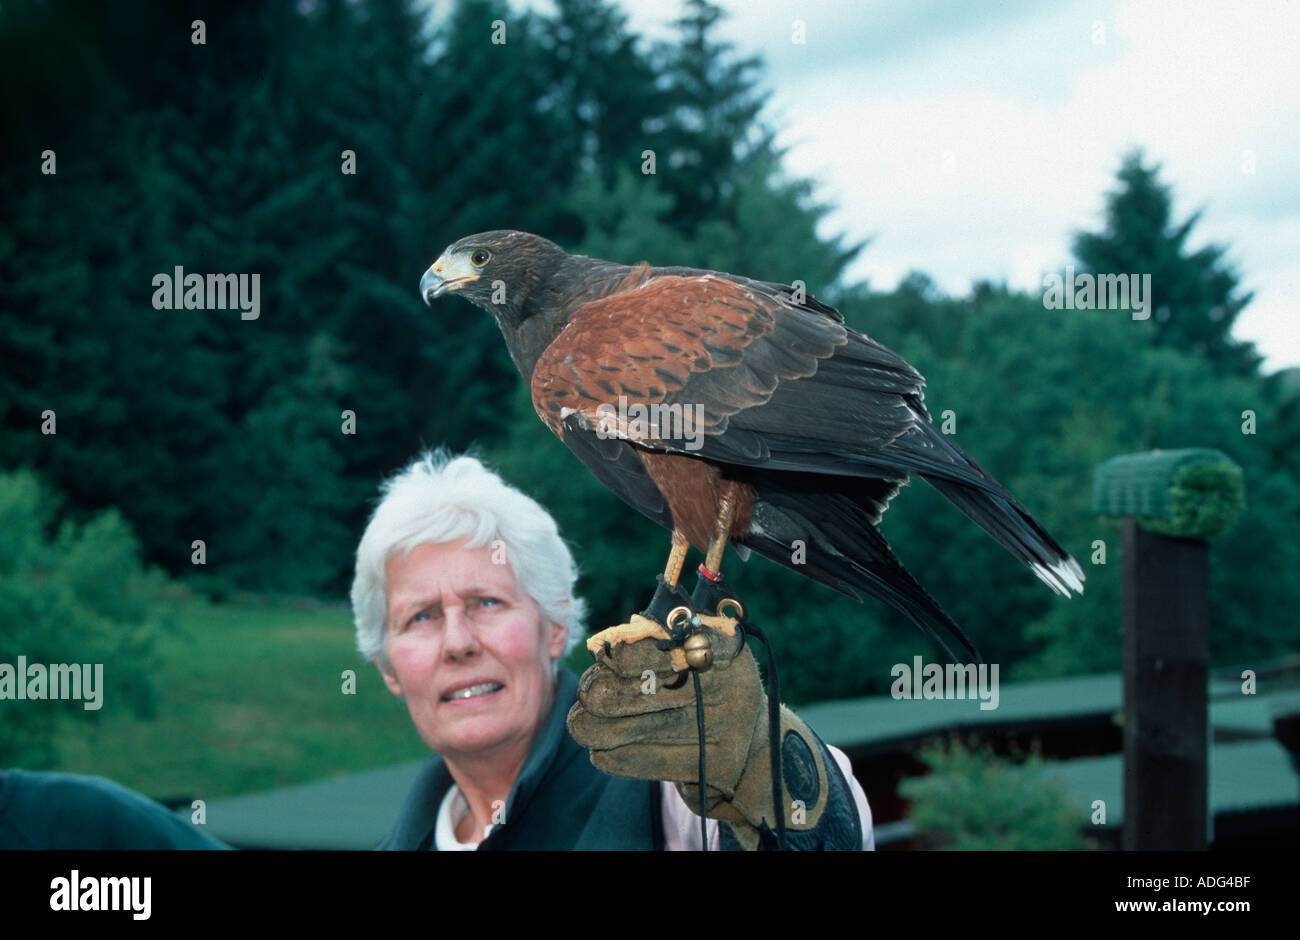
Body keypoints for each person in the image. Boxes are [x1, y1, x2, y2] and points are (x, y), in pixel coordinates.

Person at [356, 450, 874, 850]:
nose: (458, 643)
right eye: (420, 617)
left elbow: (833, 832)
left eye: (487, 602)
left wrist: (757, 760)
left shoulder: (668, 794)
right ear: (387, 667)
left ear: (555, 626)